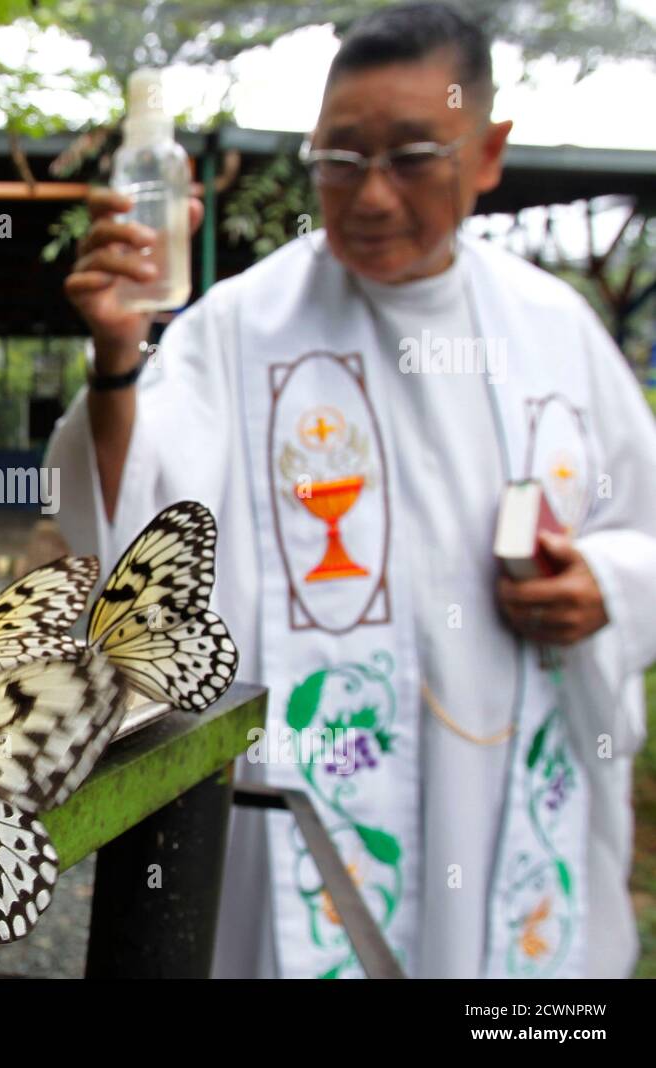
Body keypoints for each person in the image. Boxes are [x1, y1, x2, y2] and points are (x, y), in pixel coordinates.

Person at [46, 1, 656, 979]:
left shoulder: (556, 331)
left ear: (488, 151)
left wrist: (605, 587)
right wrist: (117, 355)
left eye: (412, 155)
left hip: (500, 776)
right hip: (309, 801)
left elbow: (644, 529)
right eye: (337, 161)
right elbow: (131, 520)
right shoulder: (241, 329)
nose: (369, 197)